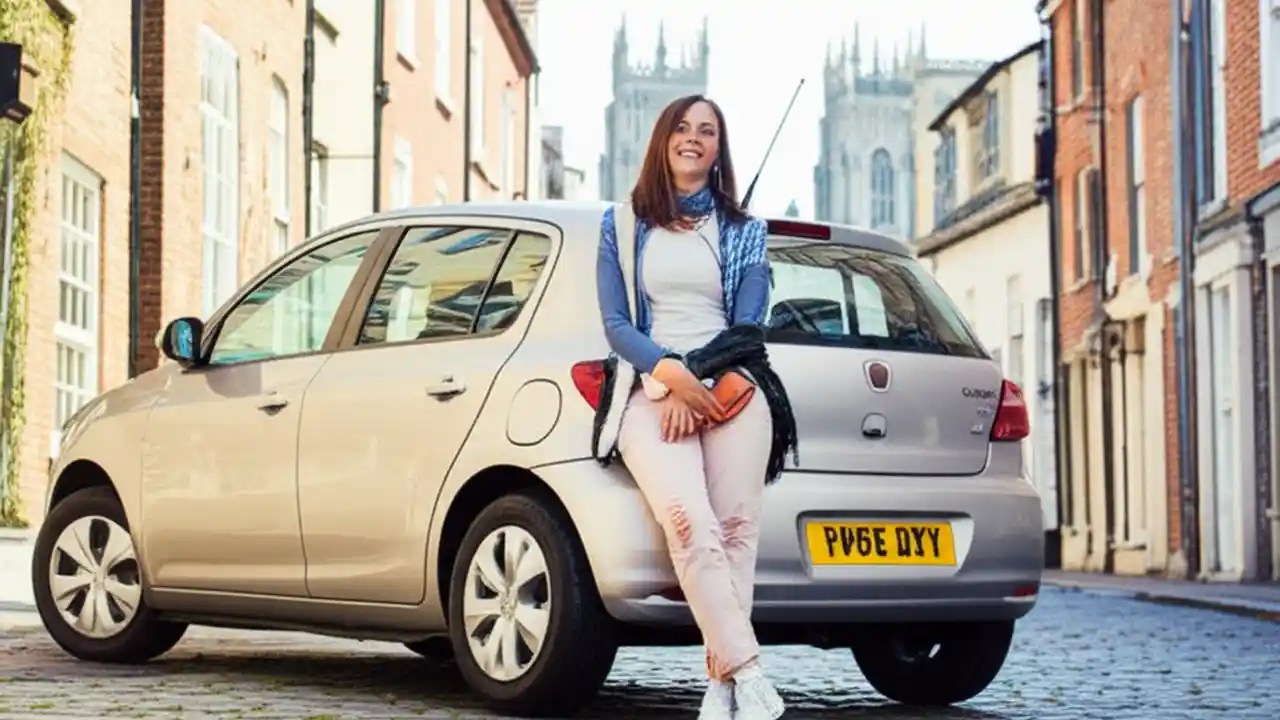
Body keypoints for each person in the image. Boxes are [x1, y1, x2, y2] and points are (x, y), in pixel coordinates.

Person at [595, 94, 794, 720]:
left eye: (707, 131)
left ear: (718, 148)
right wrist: (668, 376)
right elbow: (616, 324)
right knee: (689, 523)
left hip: (731, 387)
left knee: (737, 533)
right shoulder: (622, 224)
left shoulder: (745, 231)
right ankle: (750, 670)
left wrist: (694, 380)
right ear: (663, 139)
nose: (693, 138)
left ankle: (721, 686)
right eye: (682, 127)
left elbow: (747, 325)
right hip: (651, 386)